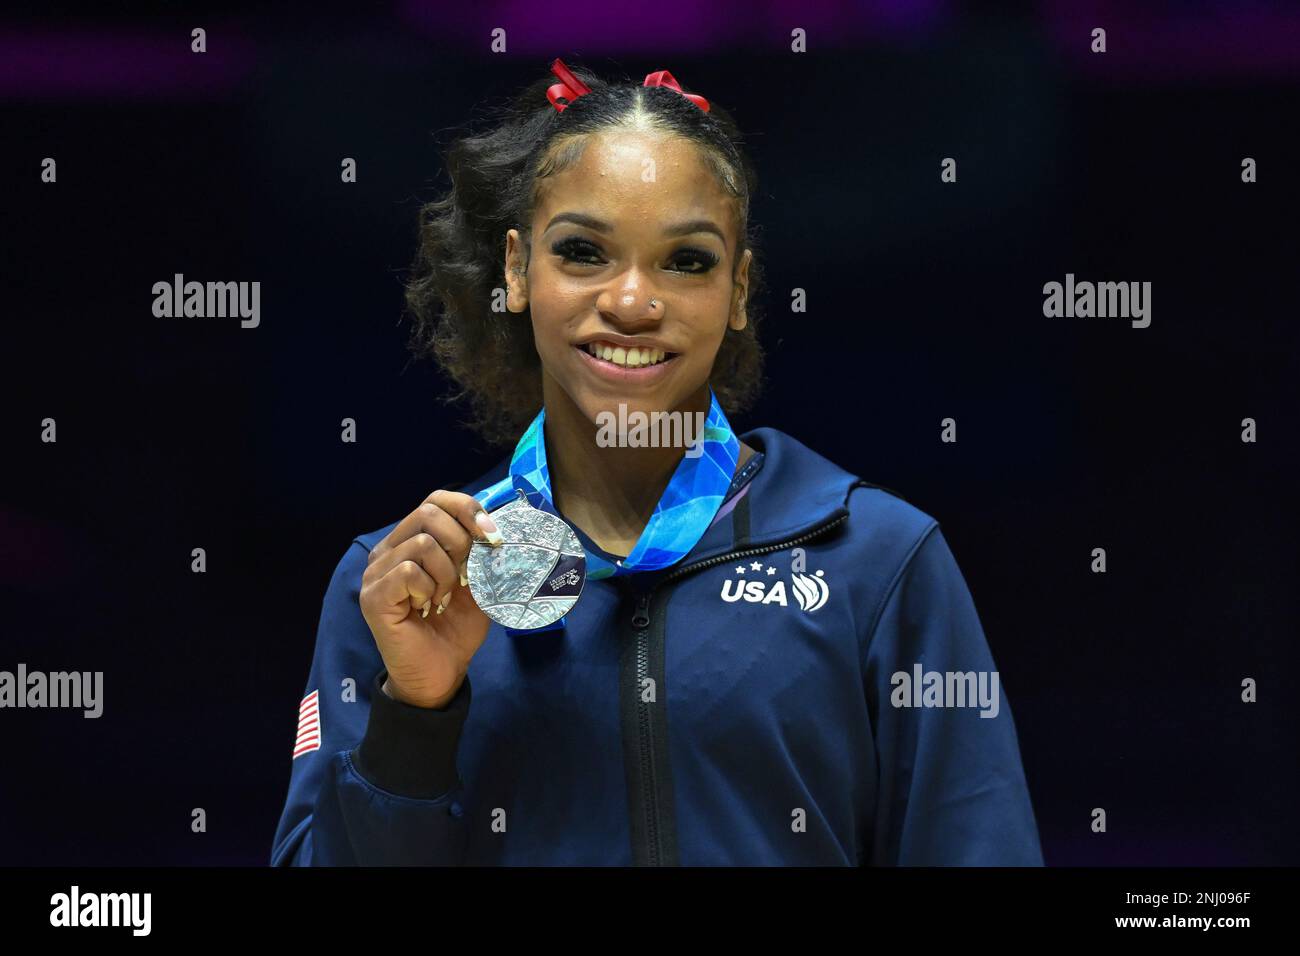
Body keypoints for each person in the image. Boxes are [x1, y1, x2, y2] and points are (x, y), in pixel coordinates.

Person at [270, 58, 1044, 866]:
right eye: (582, 252)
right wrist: (415, 717)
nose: (633, 302)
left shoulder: (877, 562)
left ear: (739, 290)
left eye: (687, 261)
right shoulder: (404, 587)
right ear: (516, 269)